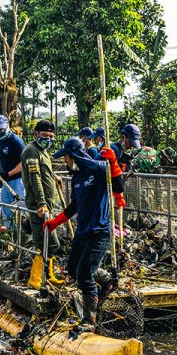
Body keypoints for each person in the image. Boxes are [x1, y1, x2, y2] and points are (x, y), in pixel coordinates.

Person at [43, 138, 123, 330]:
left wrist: (114, 164)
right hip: (82, 231)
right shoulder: (77, 178)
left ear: (75, 156)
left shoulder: (99, 168)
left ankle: (89, 320)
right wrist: (55, 221)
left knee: (84, 275)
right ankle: (108, 280)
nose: (65, 162)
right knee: (72, 270)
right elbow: (74, 206)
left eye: (66, 157)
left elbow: (118, 187)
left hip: (99, 231)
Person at [21, 119, 60, 252]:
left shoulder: (42, 150)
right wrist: (42, 204)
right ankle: (40, 273)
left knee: (47, 245)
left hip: (48, 205)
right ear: (36, 134)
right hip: (40, 208)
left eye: (51, 137)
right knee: (49, 245)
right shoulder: (31, 151)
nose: (48, 139)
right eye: (45, 135)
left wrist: (54, 177)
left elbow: (43, 171)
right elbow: (35, 178)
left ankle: (47, 272)